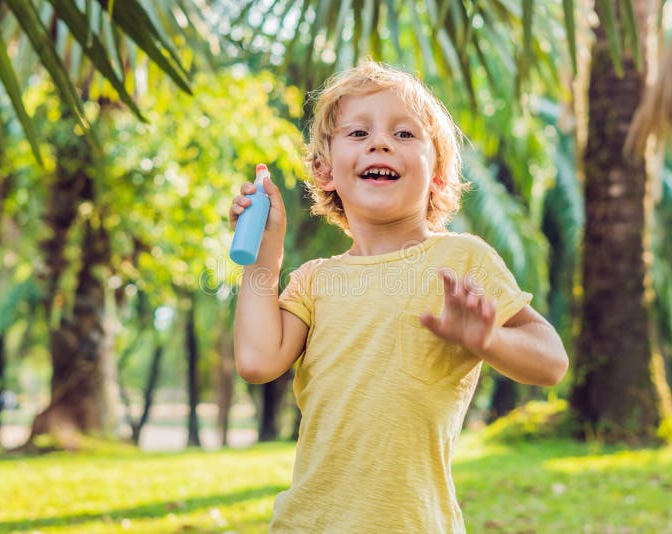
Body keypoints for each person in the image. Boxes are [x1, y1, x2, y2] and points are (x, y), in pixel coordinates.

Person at [229, 61, 569, 533]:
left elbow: (551, 362)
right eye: (358, 132)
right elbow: (257, 359)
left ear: (439, 175)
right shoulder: (314, 280)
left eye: (405, 135)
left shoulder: (460, 259)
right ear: (323, 170)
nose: (380, 143)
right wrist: (264, 257)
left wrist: (490, 339)